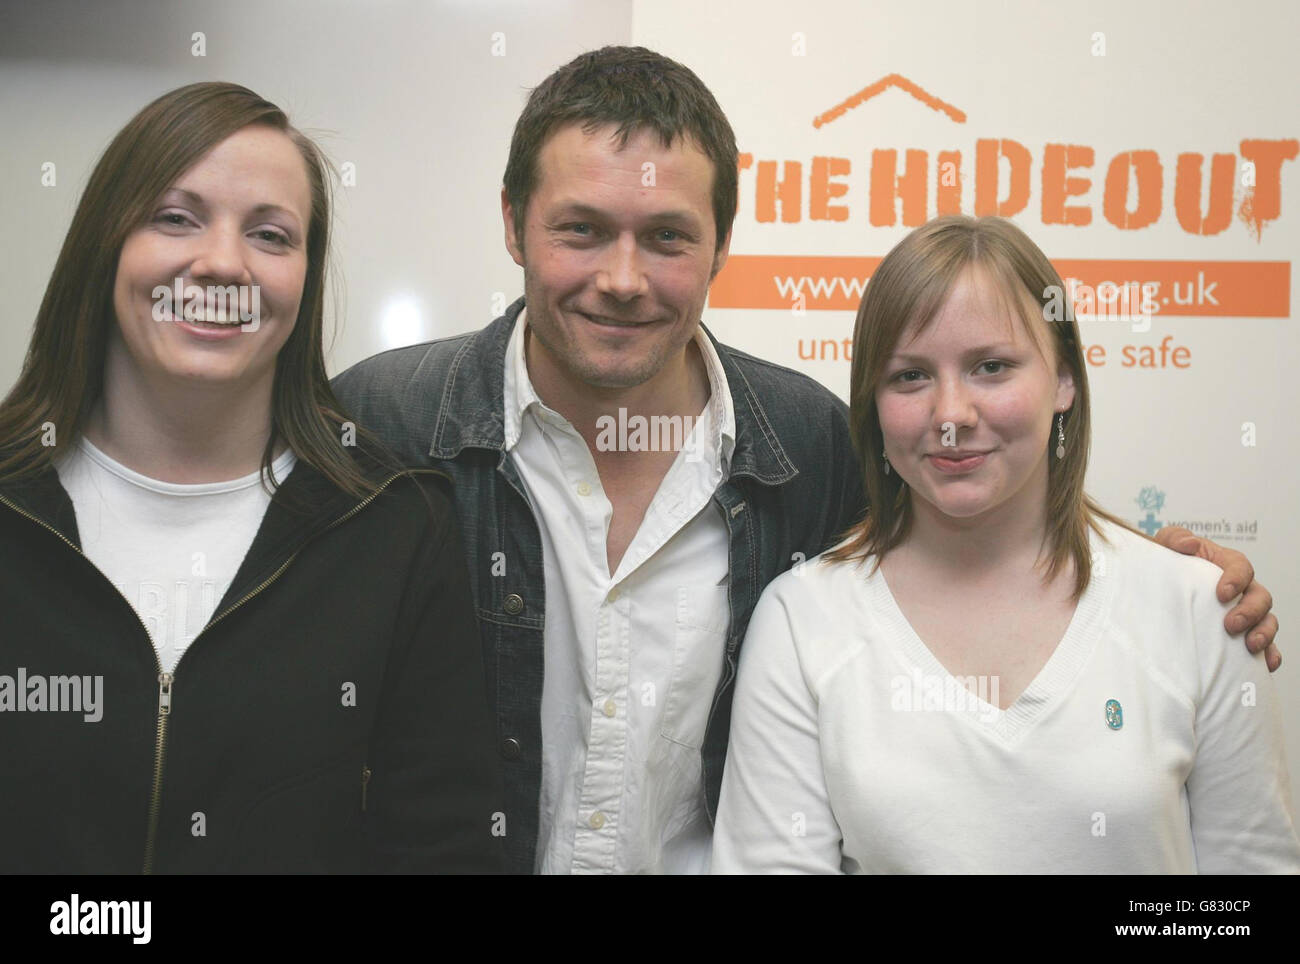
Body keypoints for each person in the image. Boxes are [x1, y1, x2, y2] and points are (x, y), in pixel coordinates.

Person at [331, 47, 1281, 875]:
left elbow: (983, 516)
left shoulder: (803, 442)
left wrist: (1166, 587)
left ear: (721, 247)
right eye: (581, 229)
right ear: (512, 222)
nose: (622, 279)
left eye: (667, 237)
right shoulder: (381, 422)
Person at [0, 82, 504, 873]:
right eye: (175, 217)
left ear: (303, 278)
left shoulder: (397, 525)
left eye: (271, 235)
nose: (223, 264)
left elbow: (443, 845)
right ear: (106, 243)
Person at [710, 215, 1300, 873]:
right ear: (871, 402)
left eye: (991, 367)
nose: (952, 415)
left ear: (1065, 381)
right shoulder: (803, 622)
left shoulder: (1199, 607)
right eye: (909, 376)